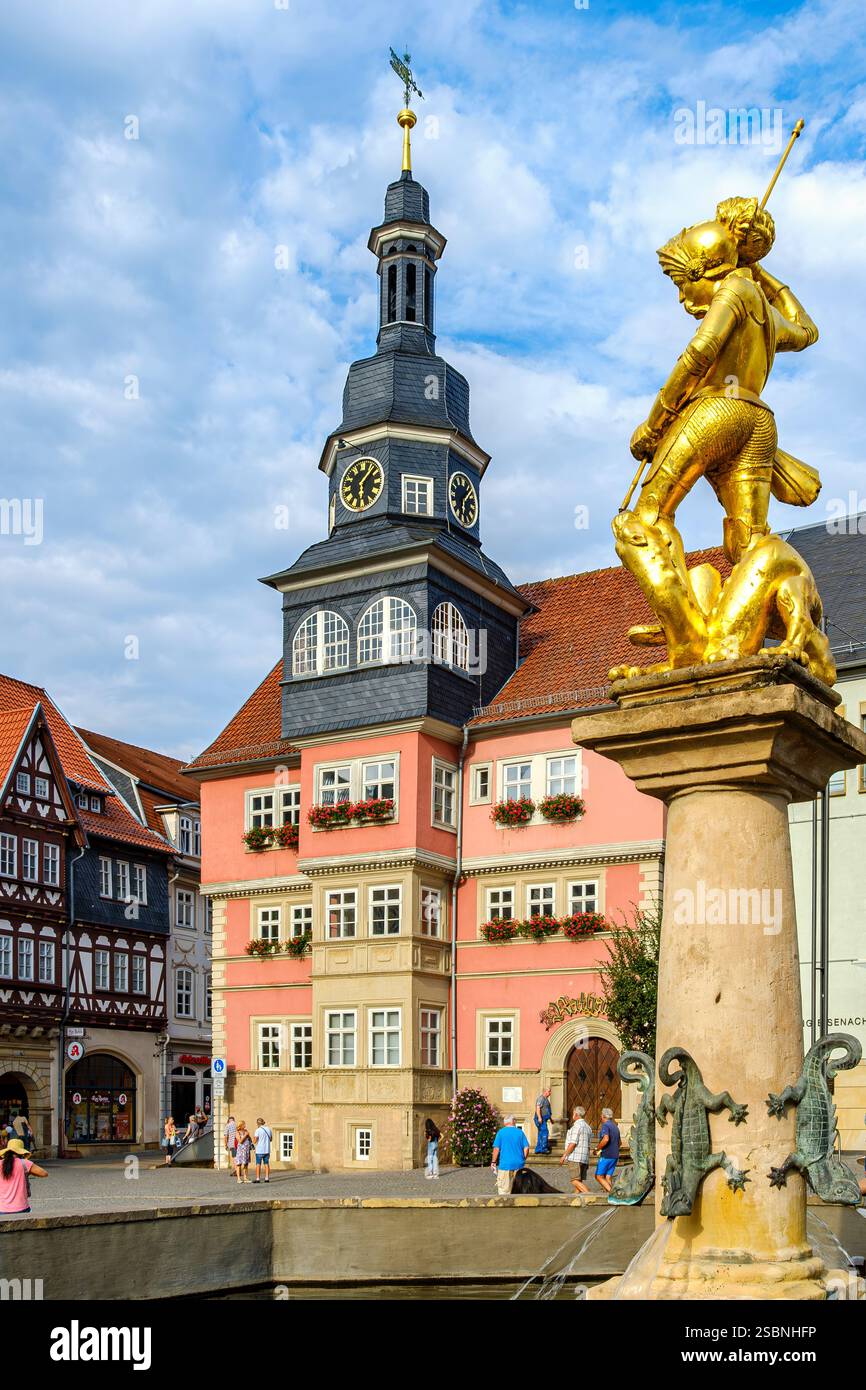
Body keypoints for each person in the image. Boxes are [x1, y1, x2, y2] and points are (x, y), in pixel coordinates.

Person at [0, 1137, 47, 1215]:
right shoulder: (24, 1163)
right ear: (21, 1152)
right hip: (21, 1208)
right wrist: (27, 1172)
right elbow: (44, 1173)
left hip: (2, 1209)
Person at [490, 1115, 529, 1196]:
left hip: (505, 1165)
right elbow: (526, 1148)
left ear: (505, 1123)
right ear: (513, 1122)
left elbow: (496, 1149)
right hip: (519, 1165)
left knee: (504, 1191)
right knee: (519, 1190)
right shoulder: (520, 1132)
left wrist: (493, 1161)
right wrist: (523, 1158)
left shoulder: (501, 1132)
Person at [560, 1105, 592, 1194]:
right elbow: (589, 1144)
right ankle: (574, 1200)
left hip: (575, 1157)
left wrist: (564, 1155)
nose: (572, 1115)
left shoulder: (577, 1126)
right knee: (579, 1181)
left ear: (576, 1115)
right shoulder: (588, 1127)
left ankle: (590, 1195)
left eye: (573, 1113)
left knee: (574, 1180)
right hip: (584, 1158)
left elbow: (573, 1143)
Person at [595, 1107, 621, 1194]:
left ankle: (612, 1193)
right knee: (608, 1177)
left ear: (603, 1116)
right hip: (615, 1155)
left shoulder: (605, 1125)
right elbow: (620, 1142)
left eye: (601, 1116)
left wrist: (597, 1148)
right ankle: (609, 1196)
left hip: (607, 1155)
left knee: (598, 1176)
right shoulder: (615, 1126)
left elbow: (605, 1139)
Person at [533, 1087, 553, 1155]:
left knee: (541, 1133)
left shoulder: (546, 1100)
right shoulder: (541, 1098)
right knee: (545, 1132)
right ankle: (543, 1149)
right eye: (549, 1091)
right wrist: (539, 1117)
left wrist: (551, 1119)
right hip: (540, 1118)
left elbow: (547, 1111)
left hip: (544, 1118)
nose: (550, 1093)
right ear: (545, 1092)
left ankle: (538, 1149)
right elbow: (537, 1108)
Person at [253, 1117, 272, 1183]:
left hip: (259, 1150)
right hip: (267, 1149)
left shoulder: (258, 1130)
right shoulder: (269, 1129)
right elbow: (271, 1139)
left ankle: (258, 1178)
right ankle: (267, 1178)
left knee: (258, 1164)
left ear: (257, 1123)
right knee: (266, 1164)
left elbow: (255, 1141)